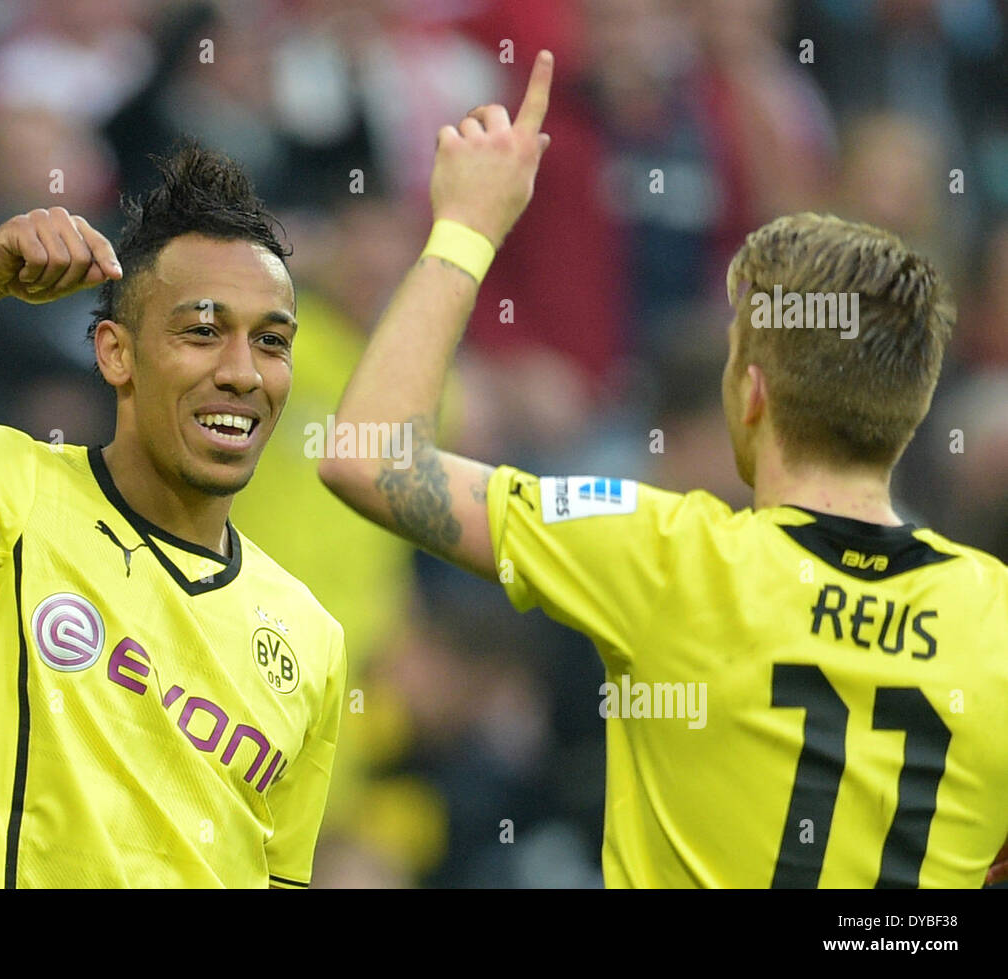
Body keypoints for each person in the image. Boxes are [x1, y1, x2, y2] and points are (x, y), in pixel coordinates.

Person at [319, 50, 1008, 888]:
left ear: (750, 396)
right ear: (910, 410)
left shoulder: (666, 555)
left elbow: (365, 457)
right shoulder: (995, 618)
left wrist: (466, 227)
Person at [0, 144, 346, 889]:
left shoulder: (310, 636)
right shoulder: (9, 487)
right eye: (203, 332)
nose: (243, 372)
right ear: (115, 353)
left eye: (271, 341)